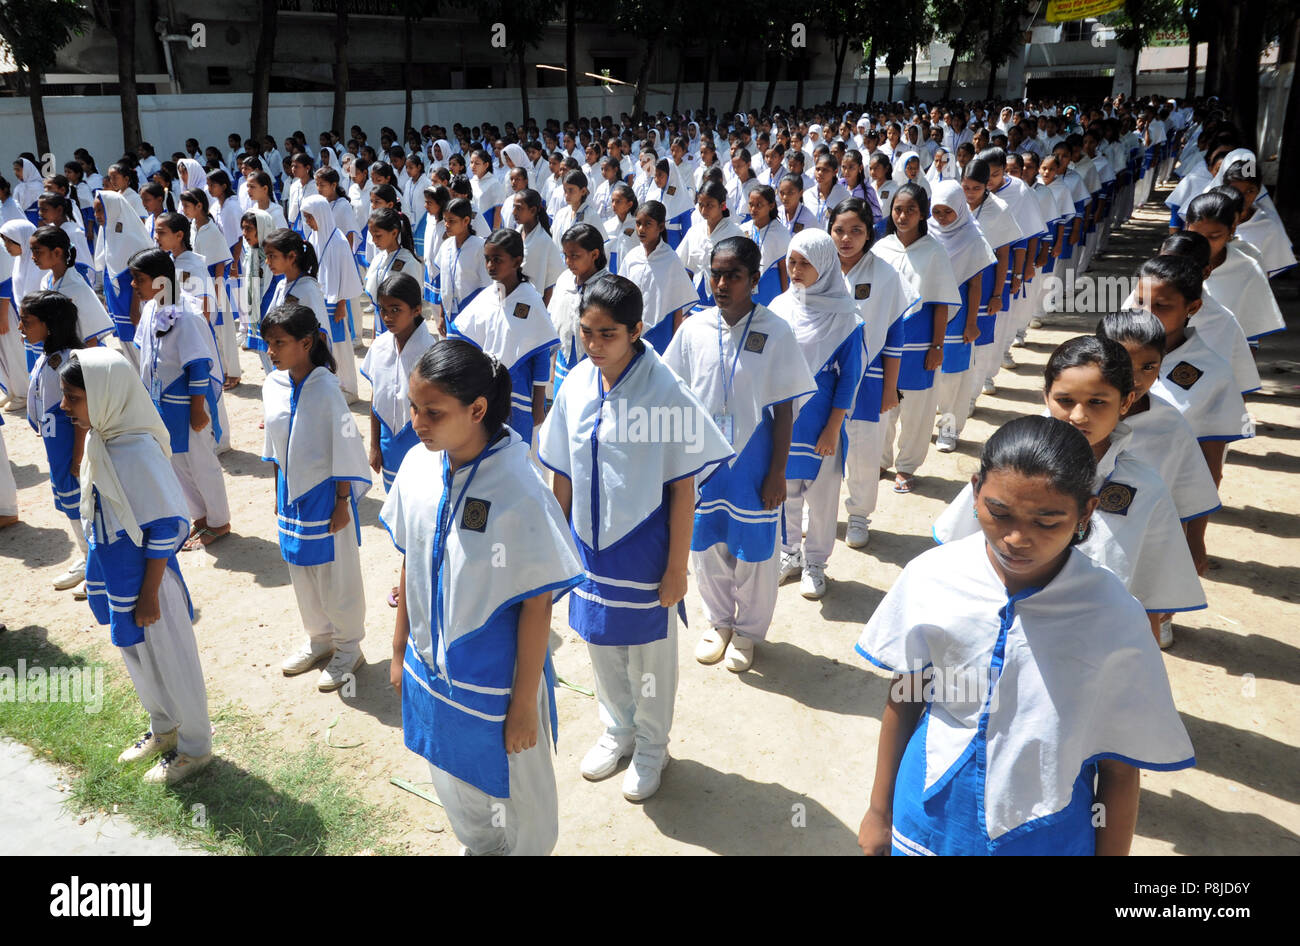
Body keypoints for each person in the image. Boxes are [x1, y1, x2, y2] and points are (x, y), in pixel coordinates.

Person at [857, 415, 1194, 855]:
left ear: (1086, 512)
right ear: (976, 491)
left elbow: (1118, 767)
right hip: (928, 816)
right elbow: (905, 697)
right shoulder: (932, 577)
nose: (1017, 539)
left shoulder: (1112, 615)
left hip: (1047, 833)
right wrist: (879, 812)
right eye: (999, 513)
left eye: (1047, 521)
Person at [381, 339, 584, 856]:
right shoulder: (420, 467)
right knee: (451, 773)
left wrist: (522, 707)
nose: (418, 422)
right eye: (413, 407)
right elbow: (410, 555)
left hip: (498, 682)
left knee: (522, 795)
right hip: (433, 668)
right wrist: (400, 645)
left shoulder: (519, 486)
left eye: (433, 412)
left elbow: (536, 603)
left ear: (477, 410)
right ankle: (480, 846)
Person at [537, 275, 730, 801]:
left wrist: (675, 568)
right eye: (586, 333)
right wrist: (558, 540)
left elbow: (683, 484)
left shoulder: (664, 390)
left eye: (608, 334)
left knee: (650, 651)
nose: (594, 345)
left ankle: (652, 745)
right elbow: (564, 469)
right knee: (601, 641)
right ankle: (617, 729)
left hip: (645, 545)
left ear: (637, 330)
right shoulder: (576, 382)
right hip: (588, 541)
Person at [935, 333, 1205, 648]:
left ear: (1126, 402)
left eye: (1097, 402)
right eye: (1065, 401)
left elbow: (1148, 599)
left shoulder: (1144, 488)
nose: (1078, 416)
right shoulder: (1010, 464)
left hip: (1087, 644)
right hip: (993, 632)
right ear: (1045, 396)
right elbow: (952, 555)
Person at [59, 346, 214, 784]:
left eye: (73, 397)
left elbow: (169, 525)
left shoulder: (135, 450)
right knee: (138, 657)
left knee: (172, 660)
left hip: (152, 582)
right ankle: (163, 727)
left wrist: (148, 594)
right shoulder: (101, 438)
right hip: (117, 572)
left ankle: (196, 747)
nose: (65, 406)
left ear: (106, 395)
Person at [664, 236, 814, 672]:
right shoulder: (693, 328)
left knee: (754, 551)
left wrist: (777, 473)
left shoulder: (774, 330)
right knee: (705, 543)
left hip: (755, 459)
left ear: (754, 279)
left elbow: (785, 408)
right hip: (703, 459)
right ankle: (719, 622)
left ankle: (748, 631)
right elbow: (675, 394)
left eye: (733, 275)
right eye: (716, 273)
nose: (722, 283)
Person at [261, 302, 372, 692]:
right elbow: (274, 444)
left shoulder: (326, 389)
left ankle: (348, 646)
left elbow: (345, 445)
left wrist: (343, 501)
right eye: (268, 342)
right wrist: (278, 488)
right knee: (301, 571)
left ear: (306, 342)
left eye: (279, 342)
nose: (271, 351)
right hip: (291, 496)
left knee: (336, 574)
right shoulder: (271, 385)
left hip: (326, 496)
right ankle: (319, 638)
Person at [770, 229, 864, 599]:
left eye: (805, 263)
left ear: (824, 264)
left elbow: (850, 377)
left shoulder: (846, 317)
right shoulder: (780, 308)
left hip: (822, 417)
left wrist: (832, 428)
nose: (795, 269)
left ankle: (816, 563)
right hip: (783, 416)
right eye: (791, 261)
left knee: (823, 498)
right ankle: (789, 552)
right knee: (787, 489)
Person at [1098, 307, 1219, 573]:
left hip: (1142, 540)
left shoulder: (1169, 424)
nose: (1135, 378)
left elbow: (1187, 491)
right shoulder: (1069, 414)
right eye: (1122, 365)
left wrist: (1194, 542)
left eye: (1148, 366)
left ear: (1163, 363)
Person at [128, 248, 230, 551]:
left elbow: (198, 364)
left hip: (187, 405)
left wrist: (198, 411)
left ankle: (219, 521)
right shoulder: (151, 308)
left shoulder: (187, 314)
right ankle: (199, 516)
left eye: (139, 279)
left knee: (201, 463)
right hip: (162, 402)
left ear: (161, 281)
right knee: (177, 463)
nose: (134, 285)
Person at [832, 198, 918, 550]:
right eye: (839, 230)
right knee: (821, 449)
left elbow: (895, 334)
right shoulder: (819, 269)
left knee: (865, 451)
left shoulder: (884, 274)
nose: (846, 238)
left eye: (856, 230)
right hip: (823, 380)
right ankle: (815, 510)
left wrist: (890, 389)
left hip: (868, 379)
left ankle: (858, 514)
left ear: (869, 233)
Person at [873, 183, 961, 493]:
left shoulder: (934, 251)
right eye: (898, 209)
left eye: (911, 210)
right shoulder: (881, 248)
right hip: (885, 342)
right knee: (885, 403)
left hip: (920, 343)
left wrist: (937, 346)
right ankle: (880, 459)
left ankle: (907, 465)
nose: (903, 215)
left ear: (922, 213)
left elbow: (940, 303)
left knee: (917, 409)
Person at [449, 229, 558, 444]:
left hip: (519, 392)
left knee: (517, 446)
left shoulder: (531, 300)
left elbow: (541, 354)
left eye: (497, 259)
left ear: (517, 261)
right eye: (487, 259)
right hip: (486, 387)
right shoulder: (486, 297)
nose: (490, 266)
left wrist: (538, 403)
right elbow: (460, 336)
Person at [19, 291, 90, 593]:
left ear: (49, 325)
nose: (22, 328)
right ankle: (87, 556)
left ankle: (98, 567)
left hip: (69, 451)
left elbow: (78, 416)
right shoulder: (47, 356)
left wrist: (76, 456)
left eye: (28, 322)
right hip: (55, 448)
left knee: (84, 507)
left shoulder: (68, 361)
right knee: (69, 506)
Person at [929, 179, 995, 452]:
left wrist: (971, 324)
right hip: (929, 307)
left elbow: (976, 283)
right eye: (937, 211)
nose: (942, 218)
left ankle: (949, 428)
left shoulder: (972, 237)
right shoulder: (926, 232)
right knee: (930, 370)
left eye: (948, 211)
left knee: (955, 374)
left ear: (960, 207)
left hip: (958, 311)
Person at [1182, 191, 1285, 344]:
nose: (1204, 243)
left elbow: (1251, 331)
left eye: (1214, 236)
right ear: (1187, 226)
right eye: (1197, 234)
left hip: (1223, 357)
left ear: (1231, 230)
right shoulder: (1170, 260)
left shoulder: (1248, 269)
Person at [301, 194, 363, 400]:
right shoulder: (312, 237)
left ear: (321, 215)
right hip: (320, 300)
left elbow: (346, 273)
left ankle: (350, 388)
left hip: (335, 302)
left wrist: (342, 303)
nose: (308, 222)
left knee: (341, 345)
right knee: (323, 345)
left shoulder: (339, 241)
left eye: (310, 217)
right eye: (306, 218)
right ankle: (332, 384)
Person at [621, 201, 699, 355]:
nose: (641, 229)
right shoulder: (631, 257)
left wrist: (676, 344)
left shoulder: (671, 260)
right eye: (638, 224)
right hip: (632, 330)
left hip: (661, 332)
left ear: (661, 227)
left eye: (648, 224)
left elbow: (678, 306)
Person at [547, 222, 609, 391]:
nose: (568, 261)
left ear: (595, 254)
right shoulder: (564, 280)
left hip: (596, 367)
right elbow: (555, 323)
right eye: (565, 255)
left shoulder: (608, 287)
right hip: (564, 361)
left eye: (575, 256)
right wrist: (552, 366)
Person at [429, 197, 489, 333]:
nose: (446, 225)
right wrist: (442, 316)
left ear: (466, 221)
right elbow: (443, 284)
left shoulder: (480, 247)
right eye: (445, 220)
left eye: (452, 221)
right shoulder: (446, 246)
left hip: (473, 318)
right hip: (450, 314)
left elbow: (486, 288)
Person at [362, 208, 422, 337]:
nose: (374, 240)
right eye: (372, 235)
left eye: (378, 235)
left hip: (402, 330)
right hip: (381, 325)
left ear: (394, 233)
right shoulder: (378, 259)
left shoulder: (409, 263)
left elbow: (413, 305)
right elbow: (378, 306)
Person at [743, 185, 790, 304]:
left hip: (770, 287)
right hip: (747, 285)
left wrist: (786, 299)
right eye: (751, 204)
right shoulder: (744, 229)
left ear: (771, 205)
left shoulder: (780, 232)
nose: (753, 209)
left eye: (759, 205)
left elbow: (783, 268)